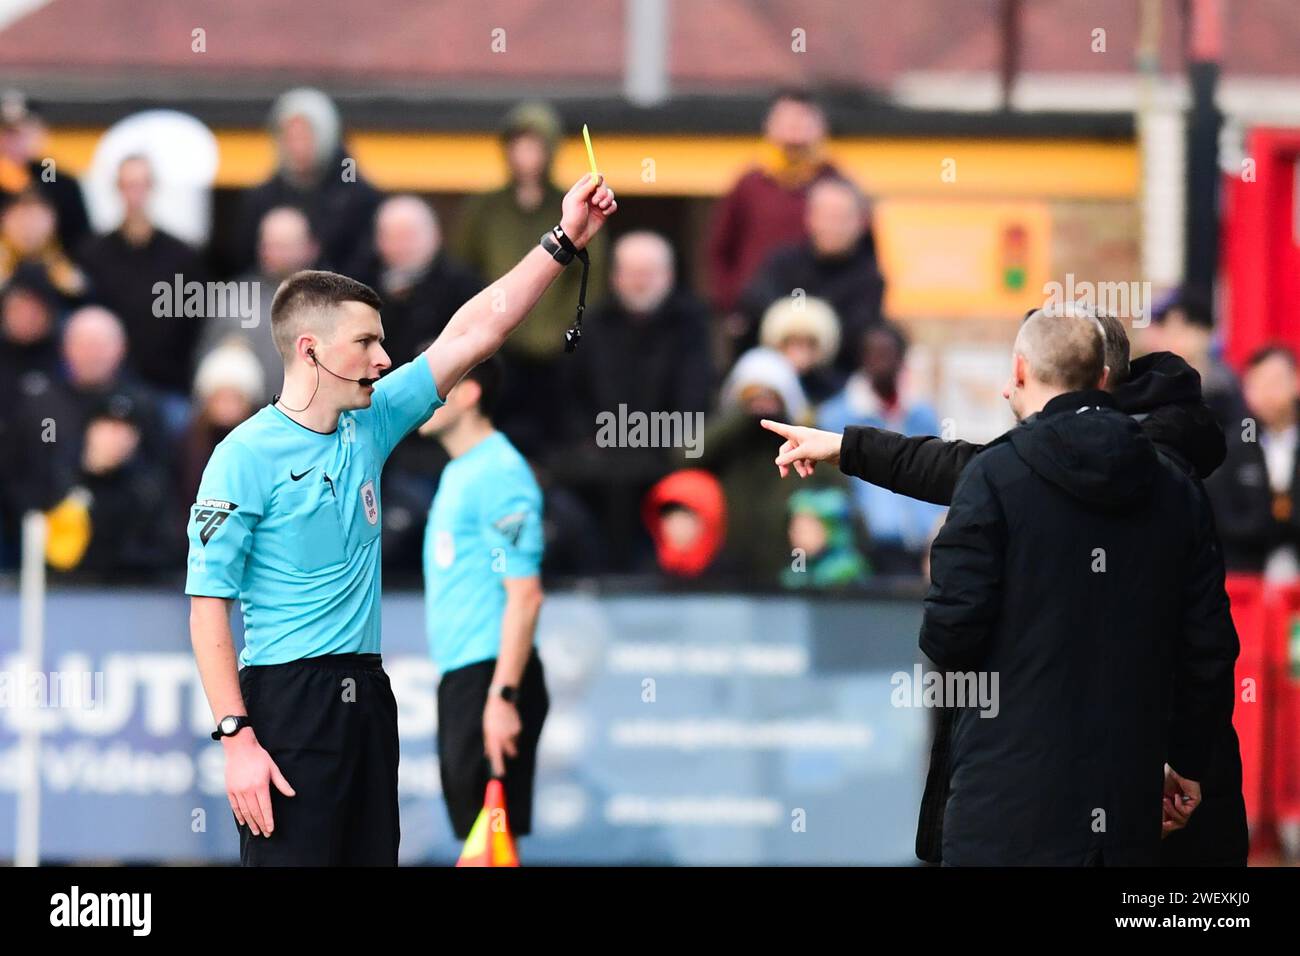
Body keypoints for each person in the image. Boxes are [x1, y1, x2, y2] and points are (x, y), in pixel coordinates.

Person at [184, 173, 616, 866]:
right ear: (311, 351)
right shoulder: (244, 456)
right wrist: (236, 738)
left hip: (367, 696)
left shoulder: (372, 420)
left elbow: (477, 329)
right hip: (288, 700)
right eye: (368, 343)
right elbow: (208, 611)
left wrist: (562, 241)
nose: (385, 359)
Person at [761, 306, 1246, 866]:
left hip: (1028, 792)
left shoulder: (1011, 474)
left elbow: (951, 629)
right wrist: (847, 446)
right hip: (1134, 798)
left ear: (1028, 371)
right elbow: (1209, 647)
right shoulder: (1167, 477)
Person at [417, 357, 548, 844]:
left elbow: (527, 595)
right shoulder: (463, 470)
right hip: (467, 677)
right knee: (481, 843)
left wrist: (502, 697)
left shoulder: (499, 472)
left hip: (490, 680)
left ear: (468, 393)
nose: (420, 396)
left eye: (435, 383)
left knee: (489, 842)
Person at [454, 101, 608, 457]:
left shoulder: (572, 205)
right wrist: (486, 317)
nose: (526, 156)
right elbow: (466, 269)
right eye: (518, 146)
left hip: (556, 351)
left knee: (556, 440)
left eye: (535, 146)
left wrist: (564, 328)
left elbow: (591, 273)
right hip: (497, 344)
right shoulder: (485, 209)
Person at [707, 89, 841, 361]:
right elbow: (720, 249)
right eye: (787, 121)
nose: (795, 131)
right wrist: (732, 304)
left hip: (820, 326)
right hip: (755, 318)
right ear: (770, 126)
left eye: (804, 121)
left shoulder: (835, 185)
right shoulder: (750, 184)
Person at [818, 322, 945, 575]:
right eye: (874, 354)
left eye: (888, 354)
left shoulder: (921, 414)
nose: (881, 363)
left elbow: (937, 471)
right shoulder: (837, 415)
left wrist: (937, 527)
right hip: (866, 551)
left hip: (920, 548)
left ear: (901, 359)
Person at [79, 154, 208, 401]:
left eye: (141, 184)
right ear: (117, 189)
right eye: (128, 185)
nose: (135, 194)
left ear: (152, 188)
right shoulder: (92, 254)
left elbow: (195, 323)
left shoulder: (182, 256)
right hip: (107, 385)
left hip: (168, 385)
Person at [740, 176, 884, 379]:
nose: (832, 226)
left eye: (841, 217)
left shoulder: (869, 279)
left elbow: (858, 333)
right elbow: (754, 304)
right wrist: (789, 339)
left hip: (838, 384)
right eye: (826, 215)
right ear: (810, 217)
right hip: (776, 380)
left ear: (861, 221)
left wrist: (813, 346)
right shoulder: (781, 262)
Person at [231, 88, 380, 275]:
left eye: (305, 136)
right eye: (290, 137)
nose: (297, 147)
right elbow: (243, 258)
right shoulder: (262, 198)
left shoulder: (356, 197)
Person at [195, 206, 319, 403]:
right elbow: (206, 368)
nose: (275, 253)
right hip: (250, 418)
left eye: (284, 245)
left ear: (310, 247)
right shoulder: (235, 297)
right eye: (269, 245)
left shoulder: (331, 302)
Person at [351, 195, 482, 366]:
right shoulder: (360, 286)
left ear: (435, 235)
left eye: (409, 235)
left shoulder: (463, 287)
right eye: (392, 236)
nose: (401, 245)